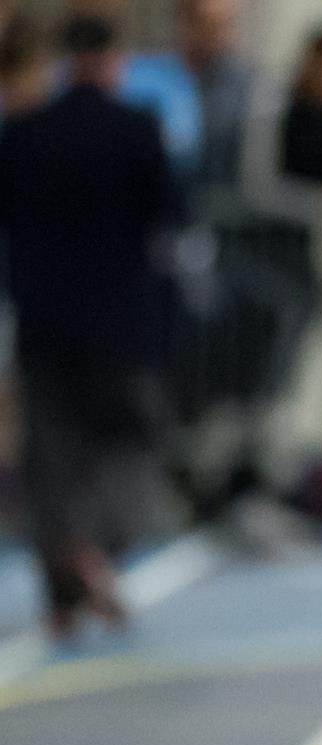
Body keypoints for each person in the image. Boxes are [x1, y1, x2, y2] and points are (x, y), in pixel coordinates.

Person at [0, 14, 179, 638]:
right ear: (113, 61)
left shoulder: (23, 134)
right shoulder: (137, 130)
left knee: (50, 461)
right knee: (127, 447)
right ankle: (95, 549)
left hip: (45, 324)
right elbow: (169, 220)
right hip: (120, 324)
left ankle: (61, 594)